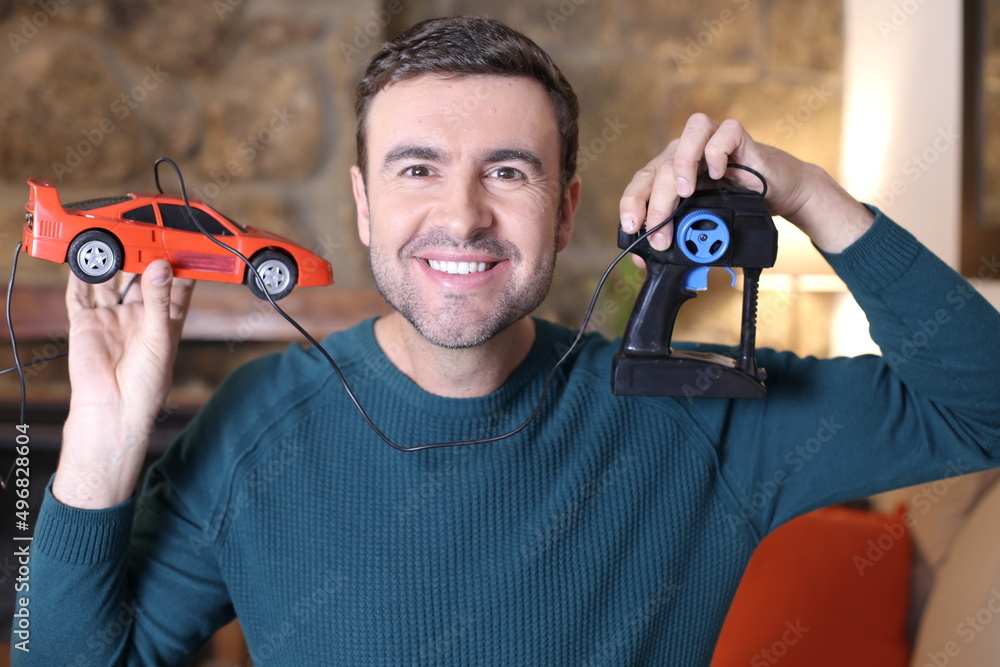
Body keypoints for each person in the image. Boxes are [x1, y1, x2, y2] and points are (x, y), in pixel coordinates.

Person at [14, 15, 1000, 666]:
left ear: (566, 207)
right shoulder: (258, 420)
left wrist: (808, 195)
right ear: (362, 204)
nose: (463, 215)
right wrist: (100, 440)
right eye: (415, 169)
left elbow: (981, 409)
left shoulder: (693, 404)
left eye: (509, 172)